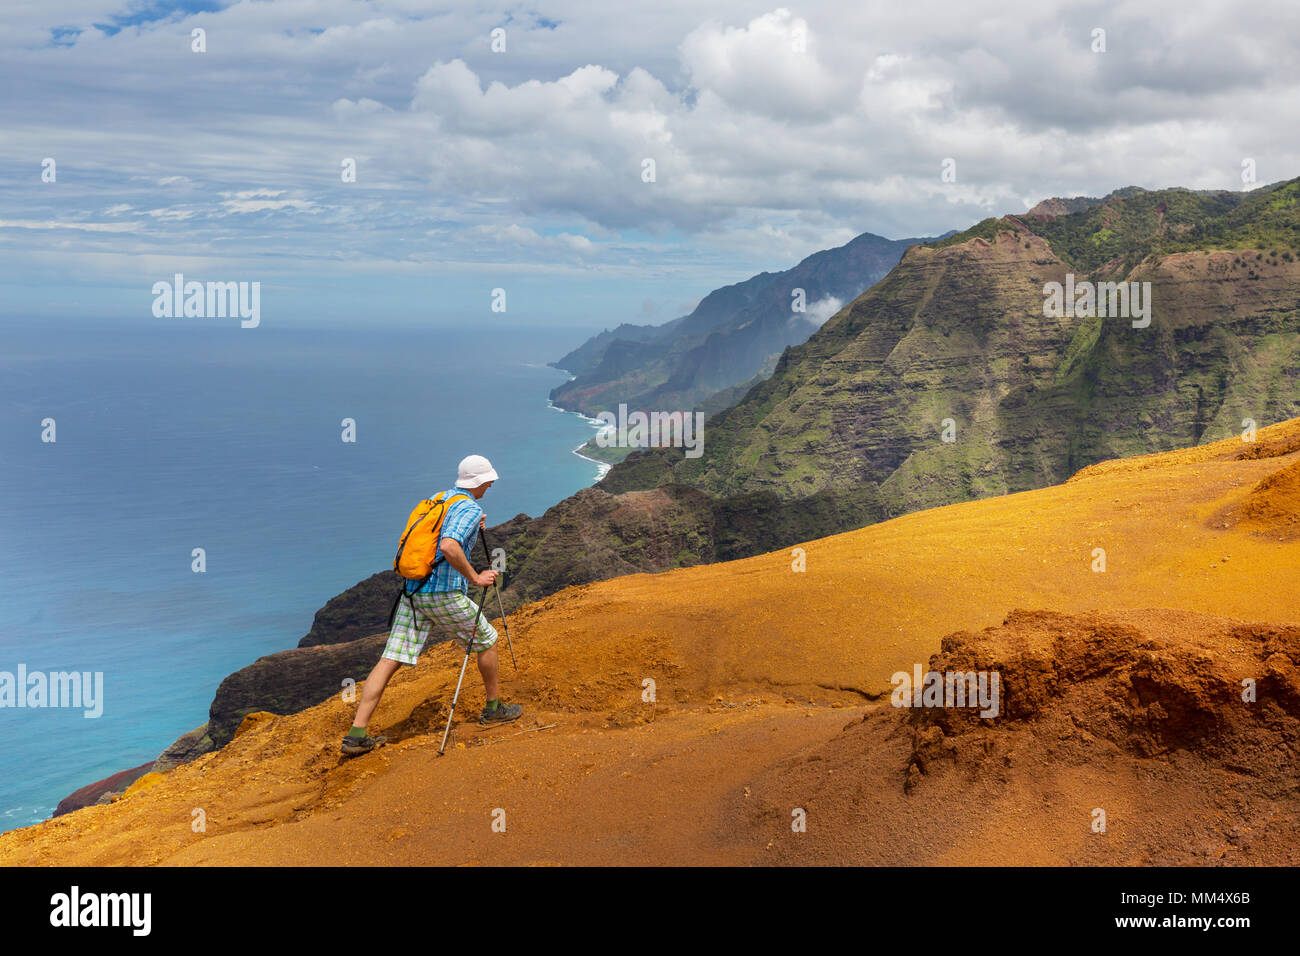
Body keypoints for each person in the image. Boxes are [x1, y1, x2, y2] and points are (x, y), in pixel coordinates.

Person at [341, 454, 522, 756]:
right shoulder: (468, 507)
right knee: (488, 640)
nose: (491, 484)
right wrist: (476, 577)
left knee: (390, 659)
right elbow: (449, 545)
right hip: (443, 593)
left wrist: (472, 525)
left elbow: (441, 535)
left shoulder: (441, 499)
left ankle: (356, 734)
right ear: (480, 481)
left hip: (414, 591)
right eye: (489, 480)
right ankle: (493, 709)